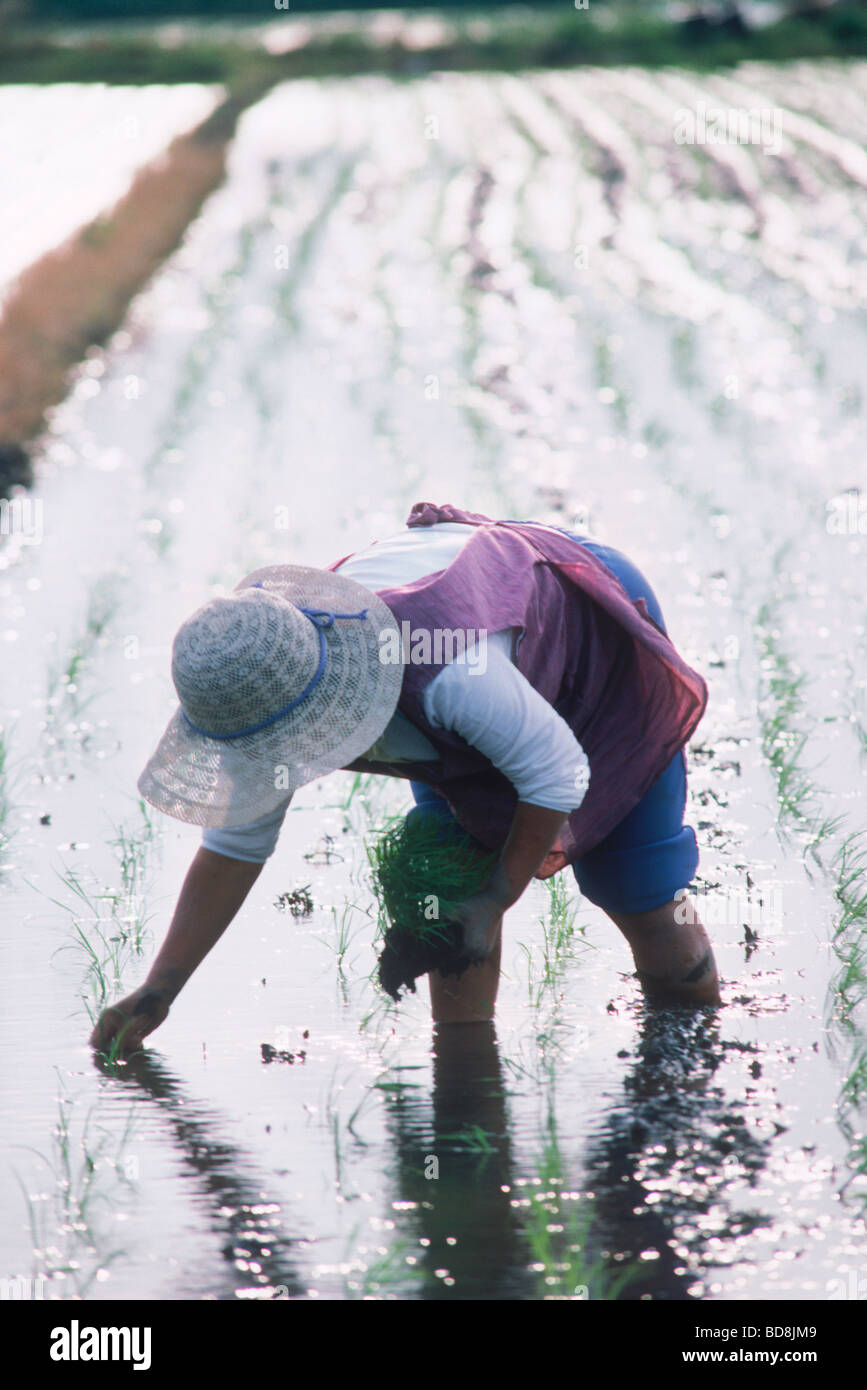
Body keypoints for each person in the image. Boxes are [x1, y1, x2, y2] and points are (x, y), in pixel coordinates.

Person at [90, 502, 720, 1056]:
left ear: (329, 703)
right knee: (446, 881)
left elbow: (557, 773)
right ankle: (467, 1087)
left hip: (582, 620)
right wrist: (160, 987)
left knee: (636, 883)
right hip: (466, 677)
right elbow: (232, 850)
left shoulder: (448, 673)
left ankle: (688, 1070)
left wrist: (499, 896)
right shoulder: (253, 689)